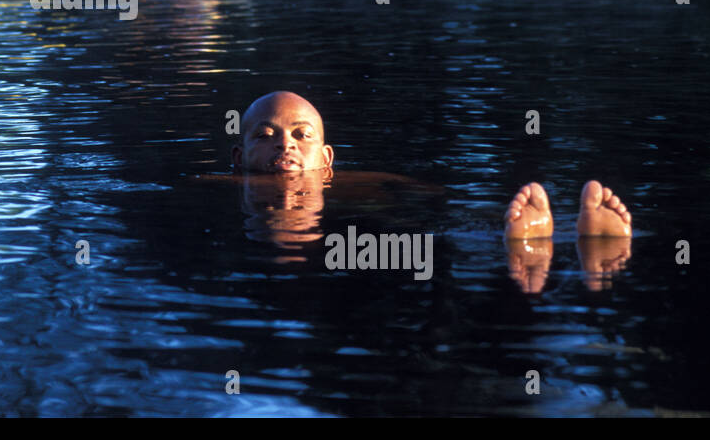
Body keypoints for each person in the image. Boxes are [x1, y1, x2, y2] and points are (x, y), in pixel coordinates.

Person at [231, 91, 635, 291]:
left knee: (434, 228)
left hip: (369, 211)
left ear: (327, 156)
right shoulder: (225, 183)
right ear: (239, 156)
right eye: (266, 136)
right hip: (356, 229)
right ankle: (544, 244)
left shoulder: (358, 180)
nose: (285, 145)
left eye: (302, 135)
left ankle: (541, 234)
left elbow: (430, 194)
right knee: (422, 243)